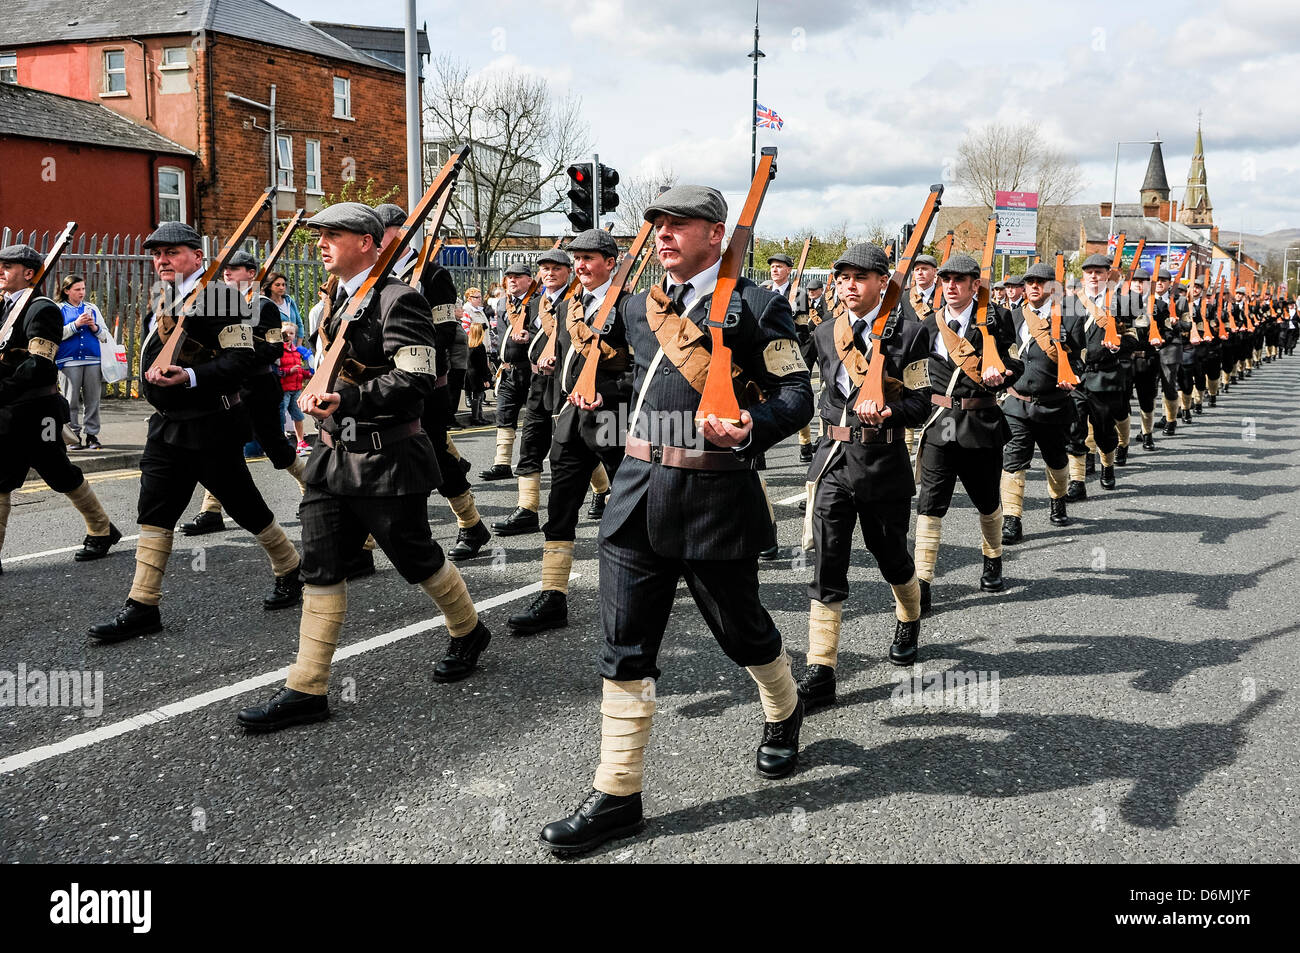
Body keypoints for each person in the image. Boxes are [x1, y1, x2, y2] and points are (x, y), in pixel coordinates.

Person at [539, 185, 813, 856]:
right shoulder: (637, 307)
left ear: (716, 234)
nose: (663, 234)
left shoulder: (757, 305)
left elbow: (797, 391)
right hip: (636, 489)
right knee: (624, 642)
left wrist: (754, 423)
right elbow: (636, 385)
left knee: (742, 631)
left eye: (680, 224)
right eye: (657, 223)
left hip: (714, 494)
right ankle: (618, 791)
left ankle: (784, 707)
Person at [236, 203, 491, 732]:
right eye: (320, 234)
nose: (321, 243)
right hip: (333, 456)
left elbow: (417, 379)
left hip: (386, 457)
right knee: (321, 563)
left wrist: (348, 397)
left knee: (415, 558)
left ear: (369, 243)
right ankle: (307, 687)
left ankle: (468, 629)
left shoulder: (402, 299)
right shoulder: (334, 298)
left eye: (334, 234)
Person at [87, 223, 302, 642]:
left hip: (211, 425)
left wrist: (188, 375)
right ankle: (143, 604)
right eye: (157, 254)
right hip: (167, 425)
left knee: (243, 504)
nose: (162, 260)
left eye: (172, 252)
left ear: (197, 257)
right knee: (155, 508)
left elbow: (241, 360)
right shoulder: (164, 298)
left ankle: (290, 566)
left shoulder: (220, 299)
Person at [798, 243, 931, 711]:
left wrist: (889, 409)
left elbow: (920, 401)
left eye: (859, 278)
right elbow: (797, 384)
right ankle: (821, 667)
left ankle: (909, 616)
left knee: (889, 553)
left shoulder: (910, 333)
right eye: (842, 278)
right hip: (834, 458)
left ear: (881, 283)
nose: (848, 286)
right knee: (827, 560)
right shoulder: (824, 332)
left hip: (882, 461)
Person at [507, 230, 630, 636]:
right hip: (571, 418)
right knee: (560, 509)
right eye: (577, 259)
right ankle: (553, 595)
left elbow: (643, 371)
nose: (581, 266)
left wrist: (607, 391)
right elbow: (565, 360)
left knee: (631, 501)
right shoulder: (569, 309)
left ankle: (643, 579)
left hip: (613, 418)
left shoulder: (632, 307)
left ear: (611, 263)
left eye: (590, 258)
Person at [371, 203, 491, 563]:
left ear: (401, 231)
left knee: (434, 454)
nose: (376, 238)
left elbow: (443, 330)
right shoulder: (373, 274)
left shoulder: (433, 275)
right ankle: (364, 544)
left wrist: (407, 356)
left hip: (427, 383)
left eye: (383, 230)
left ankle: (470, 524)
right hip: (385, 381)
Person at [0, 244, 122, 574]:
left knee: (58, 471)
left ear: (29, 273)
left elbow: (39, 365)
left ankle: (102, 529)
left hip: (38, 411)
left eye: (8, 266)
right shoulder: (4, 307)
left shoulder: (42, 309)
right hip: (9, 411)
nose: (1, 271)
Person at [912, 253, 1019, 614]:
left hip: (981, 423)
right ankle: (922, 582)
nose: (951, 286)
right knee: (929, 505)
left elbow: (1016, 361)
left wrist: (1003, 373)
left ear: (976, 284)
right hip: (939, 423)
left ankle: (993, 560)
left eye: (959, 280)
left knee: (987, 501)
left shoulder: (996, 319)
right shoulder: (929, 324)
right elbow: (913, 373)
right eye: (946, 280)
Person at [177, 250, 308, 537]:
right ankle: (211, 512)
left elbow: (274, 348)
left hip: (258, 388)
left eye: (235, 269)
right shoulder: (219, 304)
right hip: (228, 387)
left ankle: (311, 489)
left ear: (251, 273)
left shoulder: (263, 306)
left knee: (276, 448)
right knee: (222, 449)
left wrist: (239, 353)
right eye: (226, 268)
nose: (227, 272)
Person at [998, 262, 1086, 544]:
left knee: (1056, 460)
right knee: (1013, 461)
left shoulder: (1070, 317)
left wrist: (1074, 378)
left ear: (1052, 287)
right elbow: (1005, 356)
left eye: (1041, 281)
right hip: (1017, 403)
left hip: (1053, 403)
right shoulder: (1012, 317)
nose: (1034, 286)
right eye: (1030, 281)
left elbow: (1078, 359)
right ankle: (1012, 519)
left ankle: (1057, 500)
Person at [1065, 254, 1137, 500]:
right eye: (1089, 272)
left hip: (1105, 376)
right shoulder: (1069, 302)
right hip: (1077, 376)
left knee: (1105, 431)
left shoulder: (1122, 302)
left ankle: (1108, 464)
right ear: (1083, 275)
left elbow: (1136, 334)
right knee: (1075, 429)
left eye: (1099, 272)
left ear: (1108, 274)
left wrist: (1119, 345)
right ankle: (1077, 481)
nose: (1094, 276)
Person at [479, 263, 535, 481]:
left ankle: (532, 462)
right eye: (509, 276)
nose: (512, 280)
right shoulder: (502, 303)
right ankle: (502, 463)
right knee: (504, 417)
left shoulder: (537, 303)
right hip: (508, 371)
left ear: (529, 280)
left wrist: (530, 335)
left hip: (530, 370)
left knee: (536, 420)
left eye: (518, 277)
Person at [55, 274, 112, 451]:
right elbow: (56, 334)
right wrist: (76, 325)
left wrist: (94, 327)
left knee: (93, 400)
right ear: (66, 291)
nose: (82, 292)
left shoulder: (91, 308)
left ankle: (92, 435)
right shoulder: (58, 309)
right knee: (70, 401)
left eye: (83, 289)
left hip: (93, 360)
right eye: (77, 289)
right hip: (68, 361)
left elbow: (104, 336)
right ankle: (73, 436)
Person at [278, 321, 312, 451]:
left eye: (291, 333)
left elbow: (299, 370)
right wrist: (288, 371)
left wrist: (308, 374)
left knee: (298, 416)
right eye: (285, 333)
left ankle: (300, 442)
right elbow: (276, 370)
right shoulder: (279, 351)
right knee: (281, 417)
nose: (289, 335)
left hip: (296, 389)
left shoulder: (297, 351)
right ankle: (281, 443)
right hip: (284, 390)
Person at [262, 271, 308, 345]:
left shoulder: (289, 301)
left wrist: (298, 345)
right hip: (278, 347)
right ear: (270, 286)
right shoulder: (267, 304)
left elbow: (299, 323)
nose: (281, 287)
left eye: (283, 285)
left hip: (294, 347)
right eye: (277, 285)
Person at [464, 323, 491, 425]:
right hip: (477, 375)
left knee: (476, 397)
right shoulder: (480, 347)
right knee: (478, 397)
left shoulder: (468, 345)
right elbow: (482, 366)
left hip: (469, 374)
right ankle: (477, 418)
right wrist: (486, 379)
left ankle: (478, 417)